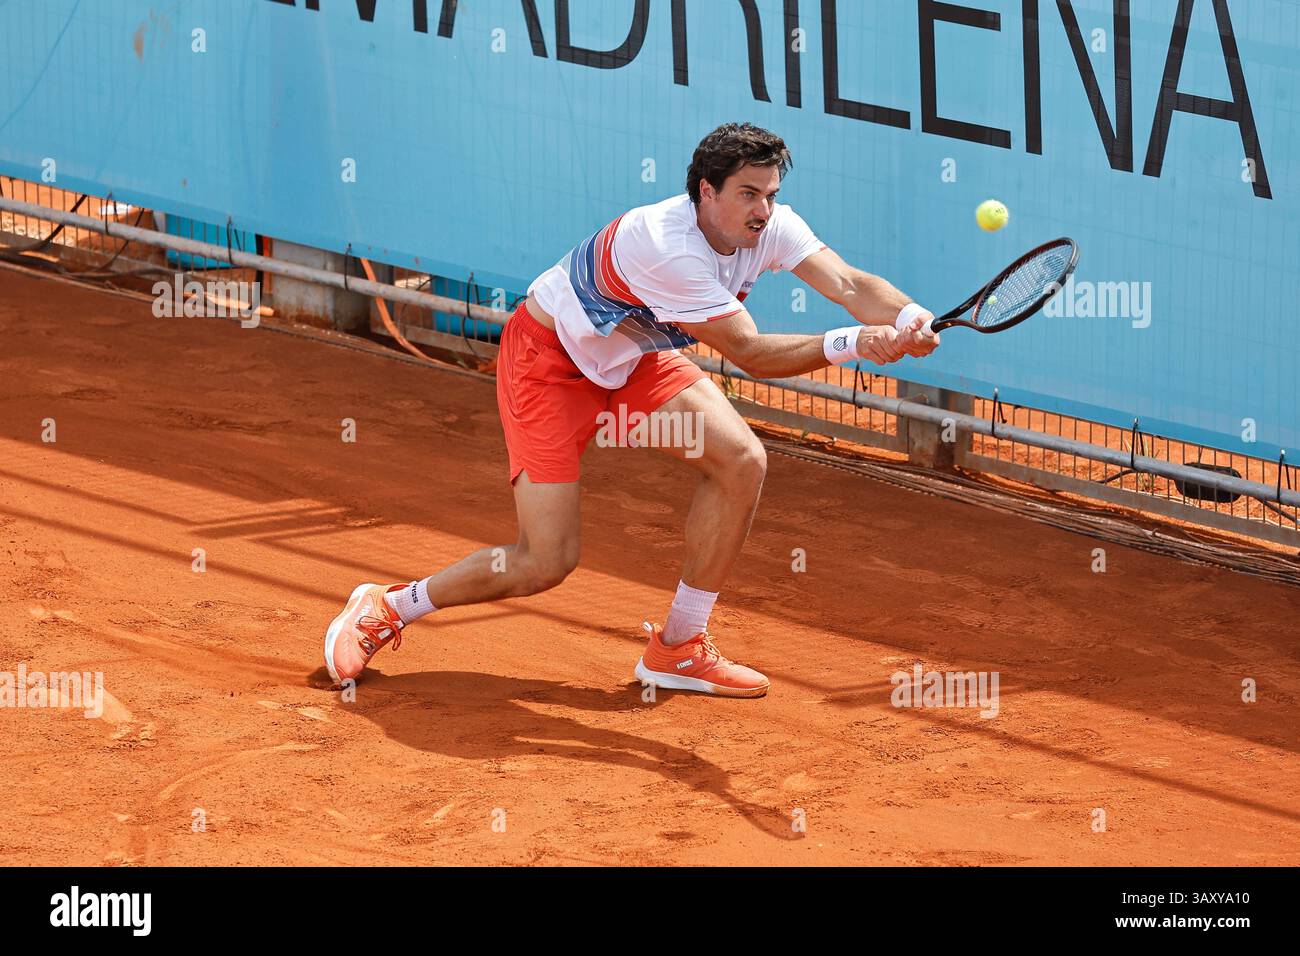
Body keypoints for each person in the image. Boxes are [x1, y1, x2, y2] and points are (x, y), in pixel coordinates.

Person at [324, 122, 939, 698]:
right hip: (551, 363)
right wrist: (855, 343)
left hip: (636, 356)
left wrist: (907, 317)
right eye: (749, 194)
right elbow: (750, 352)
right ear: (706, 191)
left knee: (741, 460)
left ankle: (677, 647)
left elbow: (853, 286)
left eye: (771, 195)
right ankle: (388, 606)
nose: (764, 211)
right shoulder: (665, 245)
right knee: (545, 561)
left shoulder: (767, 228)